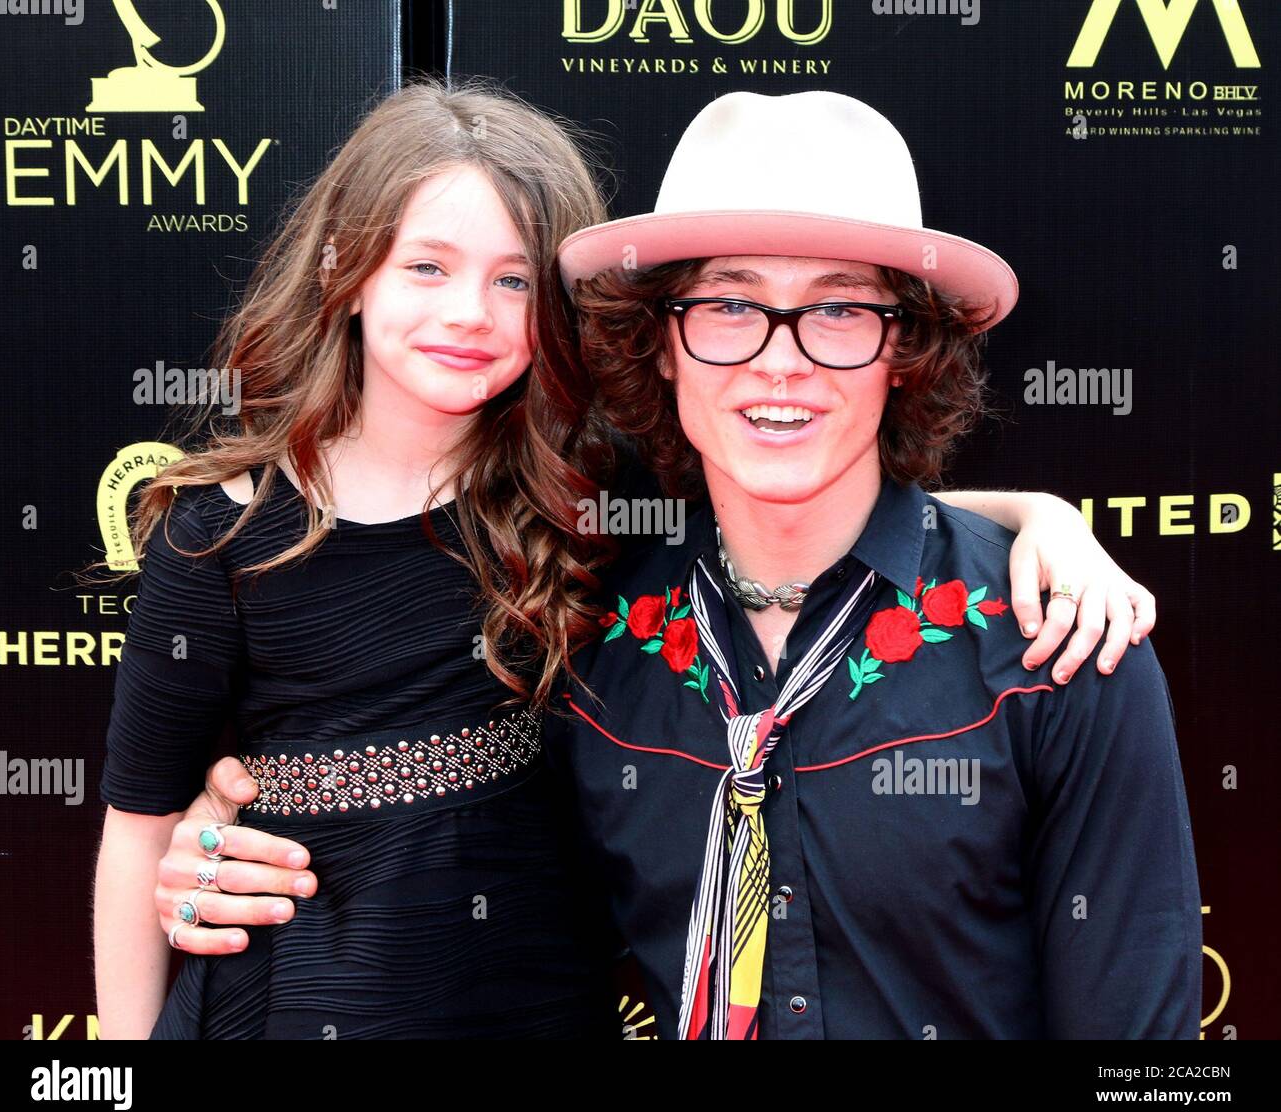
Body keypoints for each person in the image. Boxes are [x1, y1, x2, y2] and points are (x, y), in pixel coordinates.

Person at [125, 86, 1164, 1040]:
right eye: (728, 304)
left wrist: (1044, 520)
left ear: (909, 345)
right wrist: (209, 836)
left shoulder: (1055, 649)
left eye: (842, 307)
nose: (779, 357)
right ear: (659, 343)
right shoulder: (601, 609)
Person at [93, 78, 619, 1039]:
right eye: (427, 266)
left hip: (528, 993)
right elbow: (136, 837)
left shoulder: (591, 499)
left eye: (514, 281)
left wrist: (996, 519)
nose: (471, 313)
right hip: (292, 999)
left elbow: (810, 513)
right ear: (348, 268)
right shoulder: (220, 536)